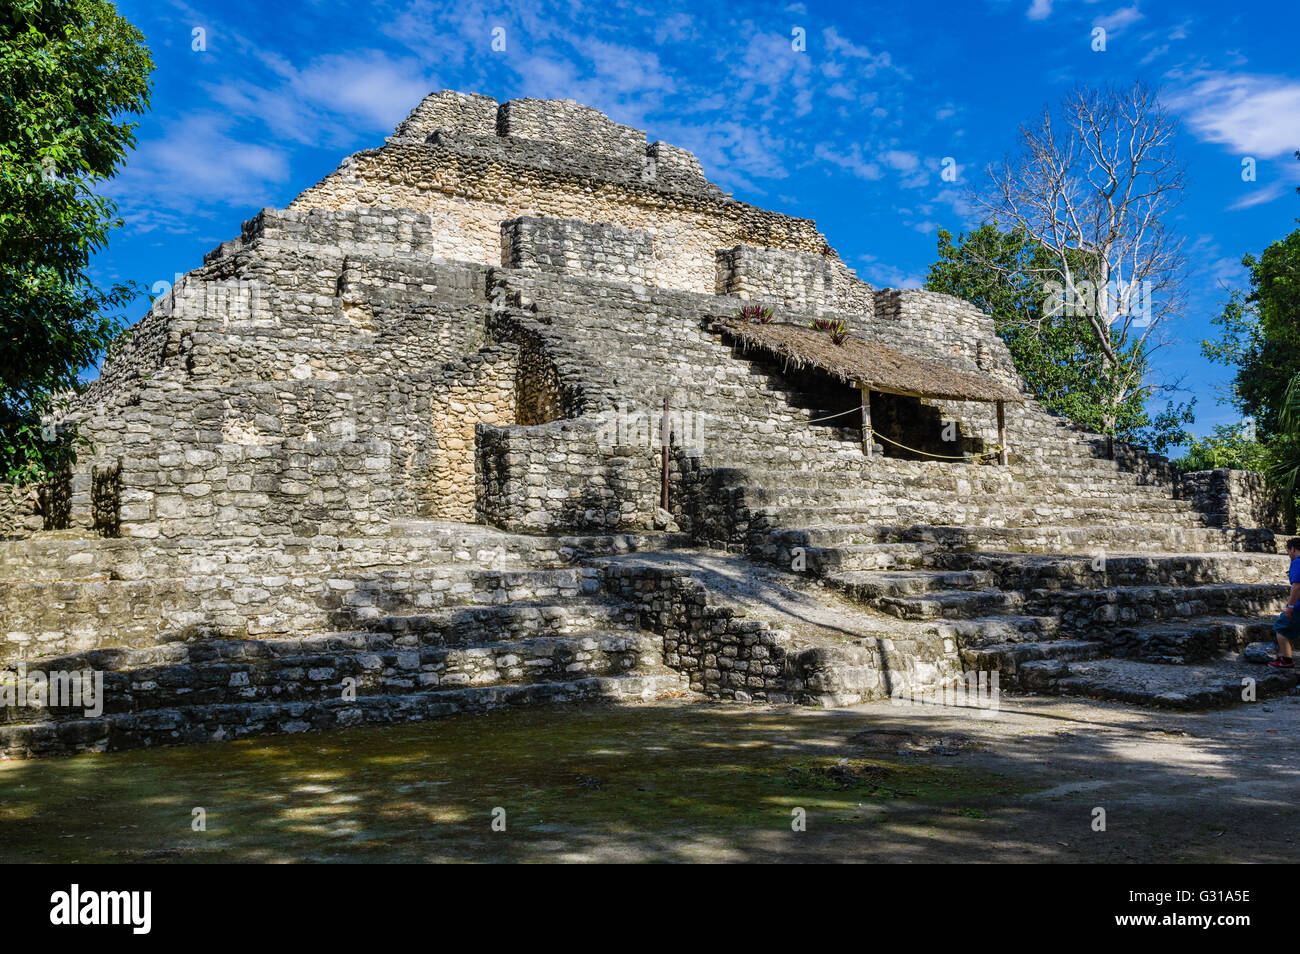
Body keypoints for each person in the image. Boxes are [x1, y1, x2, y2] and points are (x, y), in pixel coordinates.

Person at [1269, 537, 1300, 669]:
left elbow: (1297, 586)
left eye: (1288, 551)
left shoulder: (1297, 562)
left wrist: (1290, 607)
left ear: (1293, 549)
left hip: (1299, 607)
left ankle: (1286, 661)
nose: (1288, 555)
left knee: (1280, 627)